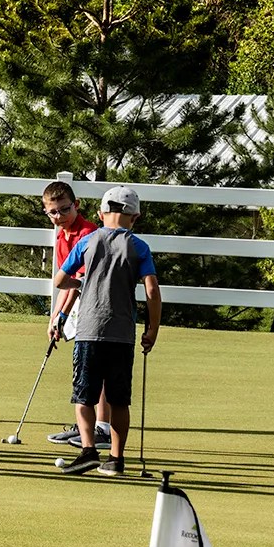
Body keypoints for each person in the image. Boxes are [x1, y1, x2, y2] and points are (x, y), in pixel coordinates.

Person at [50, 185, 161, 478]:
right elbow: (152, 290)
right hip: (122, 333)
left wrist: (81, 284)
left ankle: (88, 450)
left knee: (83, 397)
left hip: (89, 330)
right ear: (135, 217)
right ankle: (116, 458)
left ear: (100, 214)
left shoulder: (87, 241)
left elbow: (60, 280)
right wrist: (153, 329)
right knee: (119, 400)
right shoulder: (139, 247)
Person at [40, 180, 113, 449]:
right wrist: (55, 316)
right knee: (87, 365)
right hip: (83, 303)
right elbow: (65, 281)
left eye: (64, 209)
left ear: (76, 205)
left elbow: (78, 283)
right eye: (53, 212)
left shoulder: (88, 234)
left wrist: (62, 316)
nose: (59, 216)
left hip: (99, 304)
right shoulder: (62, 236)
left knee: (98, 366)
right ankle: (87, 426)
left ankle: (101, 428)